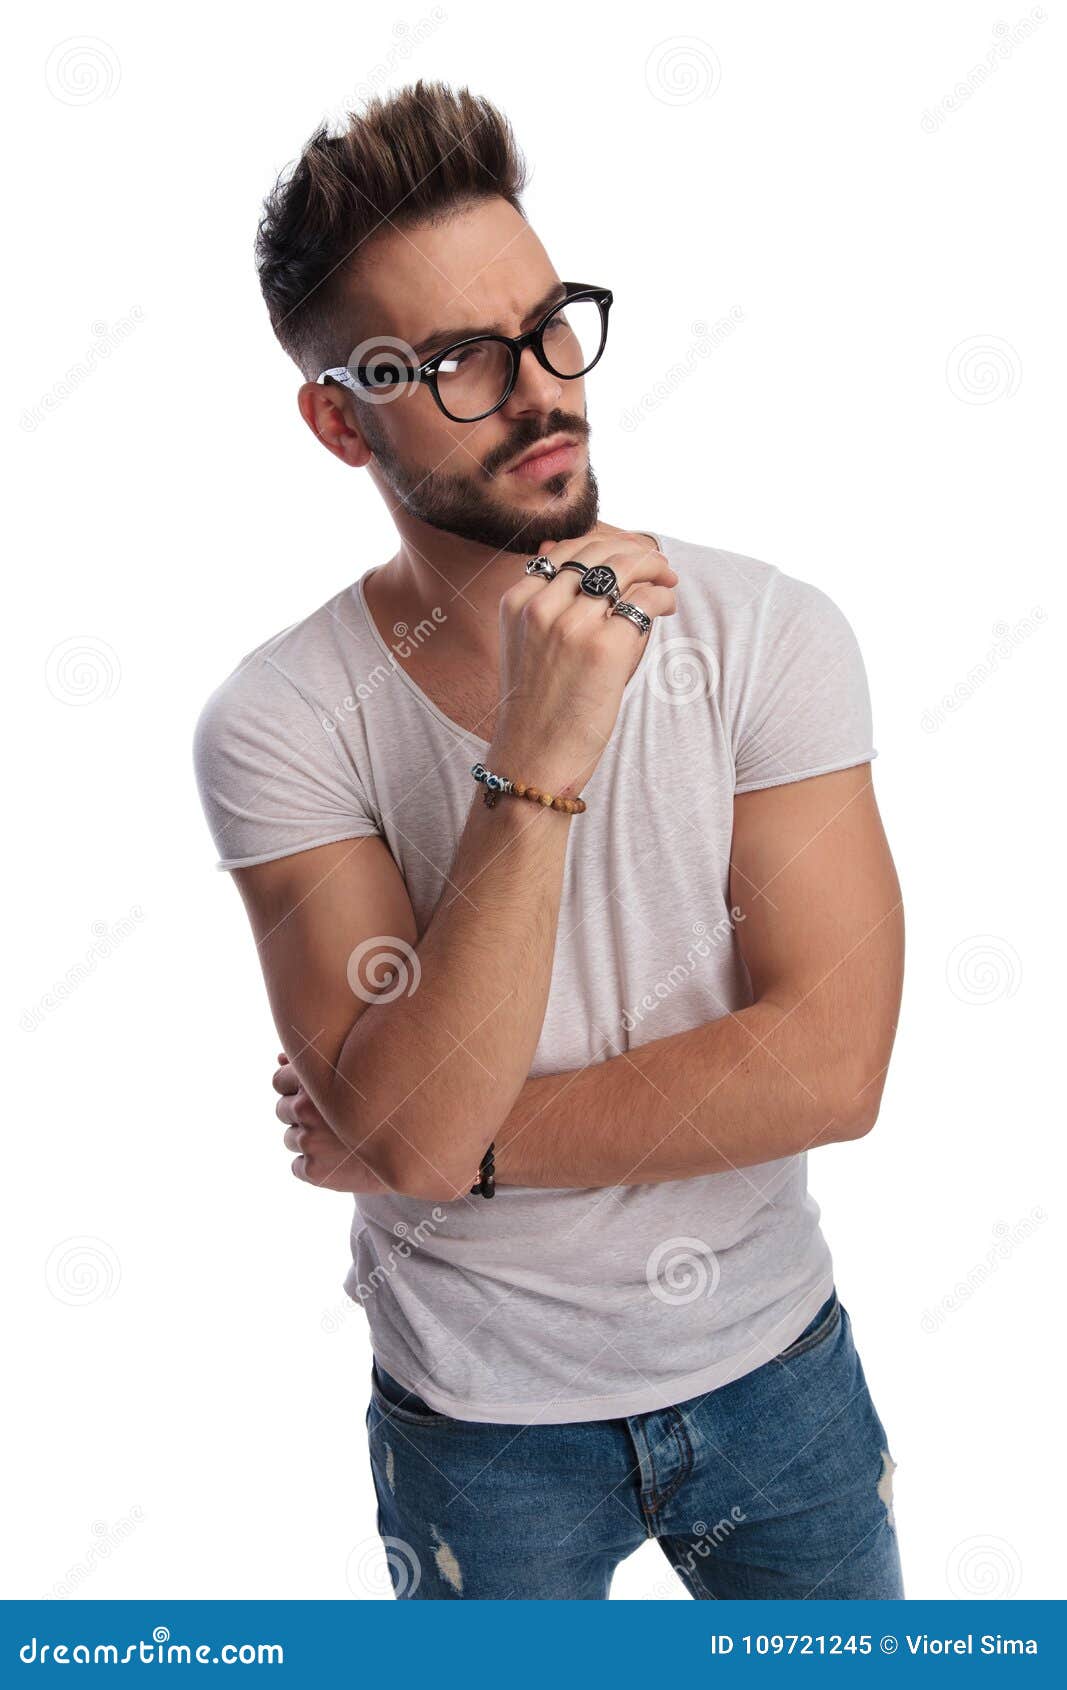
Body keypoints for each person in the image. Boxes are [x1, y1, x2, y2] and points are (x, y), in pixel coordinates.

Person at [193, 80, 905, 1600]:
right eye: (454, 358)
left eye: (547, 323)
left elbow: (831, 1066)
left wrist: (461, 1143)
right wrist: (535, 765)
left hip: (779, 1368)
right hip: (478, 1423)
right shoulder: (275, 720)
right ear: (337, 417)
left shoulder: (772, 635)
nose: (538, 389)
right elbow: (413, 1137)